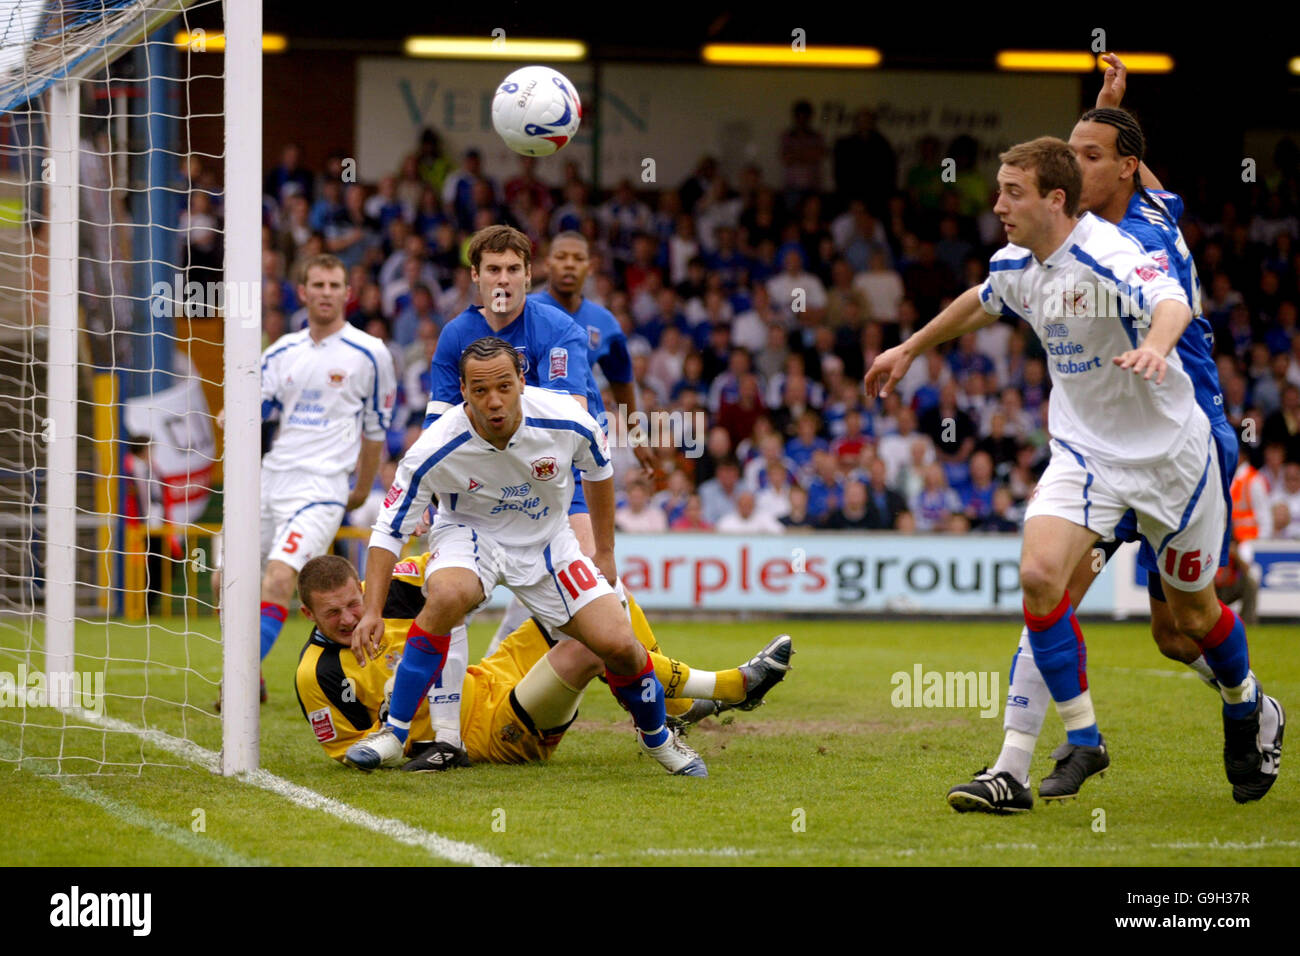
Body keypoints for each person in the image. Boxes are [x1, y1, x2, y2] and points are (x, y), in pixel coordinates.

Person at [865, 135, 1283, 813]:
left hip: (1173, 457)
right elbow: (984, 296)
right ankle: (1048, 753)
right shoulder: (1020, 261)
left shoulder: (1110, 250)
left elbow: (1172, 302)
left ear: (1055, 201)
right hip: (1087, 455)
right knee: (1039, 577)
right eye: (999, 189)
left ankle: (1246, 706)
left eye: (1012, 192)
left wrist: (1153, 345)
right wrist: (910, 347)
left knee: (1192, 619)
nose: (998, 204)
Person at [346, 337, 707, 776]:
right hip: (471, 534)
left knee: (619, 644)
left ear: (522, 379)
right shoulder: (433, 448)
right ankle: (395, 731)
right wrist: (371, 611)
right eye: (480, 391)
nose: (493, 401)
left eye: (503, 386)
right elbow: (388, 530)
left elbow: (600, 470)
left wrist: (606, 551)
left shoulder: (566, 421)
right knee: (445, 594)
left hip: (548, 542)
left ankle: (660, 741)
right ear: (463, 391)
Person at [294, 552, 793, 768]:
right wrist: (423, 749)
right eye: (332, 612)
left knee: (605, 601)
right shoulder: (316, 673)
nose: (347, 618)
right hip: (486, 733)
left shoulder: (396, 589)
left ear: (363, 586)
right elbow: (351, 751)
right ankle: (731, 687)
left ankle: (678, 708)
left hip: (489, 678)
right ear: (307, 614)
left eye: (353, 603)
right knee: (588, 648)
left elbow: (454, 571)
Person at [477, 230, 660, 655]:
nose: (569, 265)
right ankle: (659, 684)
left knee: (566, 574)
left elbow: (621, 381)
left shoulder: (605, 323)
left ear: (589, 266)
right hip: (534, 459)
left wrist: (637, 432)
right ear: (545, 264)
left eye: (578, 258)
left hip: (580, 455)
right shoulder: (524, 311)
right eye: (561, 257)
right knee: (591, 576)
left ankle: (489, 675)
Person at [249, 253, 396, 703]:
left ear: (348, 294)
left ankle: (237, 681)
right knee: (225, 581)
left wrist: (357, 489)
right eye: (318, 284)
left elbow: (376, 429)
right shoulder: (280, 352)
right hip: (270, 479)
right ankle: (248, 674)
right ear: (303, 292)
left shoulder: (370, 353)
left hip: (322, 487)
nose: (327, 292)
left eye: (335, 285)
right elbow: (253, 412)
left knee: (277, 579)